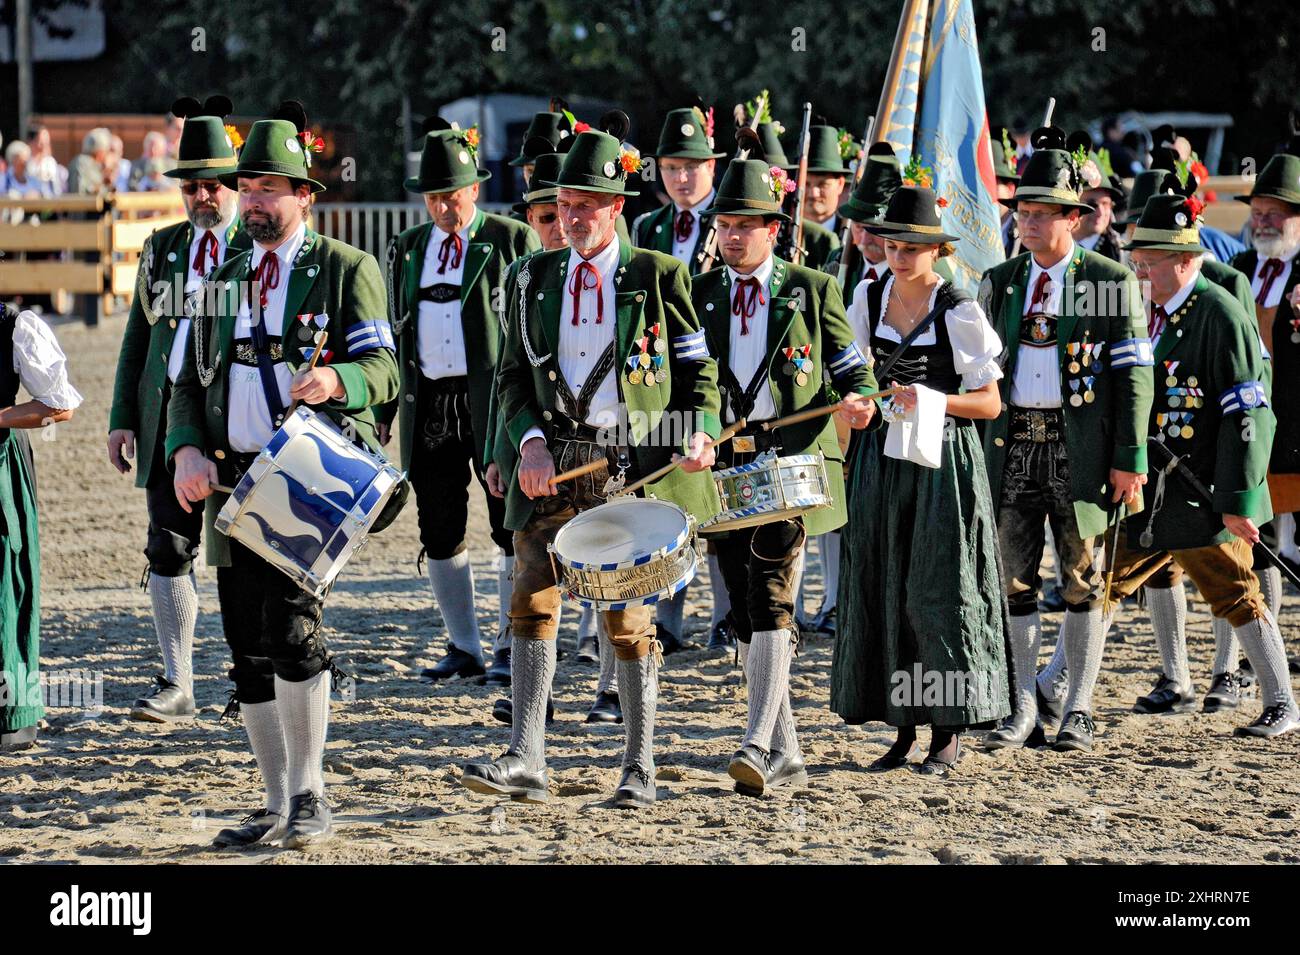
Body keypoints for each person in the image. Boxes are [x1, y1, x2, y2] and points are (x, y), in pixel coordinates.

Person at [459, 124, 722, 808]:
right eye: (564, 204)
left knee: (626, 618)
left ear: (616, 207)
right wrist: (527, 444)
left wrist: (701, 431)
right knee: (531, 598)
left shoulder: (657, 276)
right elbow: (510, 377)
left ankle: (639, 766)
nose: (573, 217)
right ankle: (526, 755)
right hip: (551, 460)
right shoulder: (530, 276)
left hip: (625, 465)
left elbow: (698, 372)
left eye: (587, 205)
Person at [168, 102, 399, 848]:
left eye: (270, 188)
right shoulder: (221, 277)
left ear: (305, 195)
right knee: (246, 645)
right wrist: (185, 449)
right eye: (248, 188)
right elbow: (185, 384)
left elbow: (385, 368)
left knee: (293, 629)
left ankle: (309, 794)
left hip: (308, 478)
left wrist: (339, 381)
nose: (256, 201)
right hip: (231, 483)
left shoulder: (346, 269)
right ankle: (272, 804)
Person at [694, 158, 876, 794]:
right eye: (725, 225)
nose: (733, 235)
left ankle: (755, 742)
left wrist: (861, 400)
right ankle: (788, 749)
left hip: (791, 462)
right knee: (743, 604)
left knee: (773, 593)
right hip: (723, 464)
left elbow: (853, 369)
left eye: (746, 225)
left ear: (774, 229)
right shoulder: (699, 292)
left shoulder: (811, 288)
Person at [979, 128, 1153, 753]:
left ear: (1072, 219)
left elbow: (1134, 377)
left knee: (1083, 577)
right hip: (1013, 444)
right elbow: (979, 369)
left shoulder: (1110, 279)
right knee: (1013, 579)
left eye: (1040, 213)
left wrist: (1130, 458)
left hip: (1080, 449)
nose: (1026, 222)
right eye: (1022, 212)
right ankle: (1023, 704)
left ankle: (1078, 705)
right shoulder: (999, 280)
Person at [1104, 191, 1298, 738]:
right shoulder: (1146, 310)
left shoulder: (1220, 313)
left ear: (1187, 260)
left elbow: (1249, 415)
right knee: (1102, 583)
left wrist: (1238, 500)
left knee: (1234, 590)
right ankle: (1055, 690)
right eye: (1138, 261)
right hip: (1149, 484)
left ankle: (1282, 701)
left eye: (1151, 262)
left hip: (1202, 488)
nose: (1141, 271)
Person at [832, 183, 1010, 776]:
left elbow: (989, 403)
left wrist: (933, 399)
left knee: (938, 589)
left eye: (911, 247)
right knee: (884, 583)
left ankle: (948, 732)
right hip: (882, 459)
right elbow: (852, 378)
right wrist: (857, 404)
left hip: (943, 465)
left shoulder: (959, 308)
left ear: (936, 250)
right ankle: (903, 727)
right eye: (892, 244)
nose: (899, 255)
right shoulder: (867, 295)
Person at [382, 124, 539, 684]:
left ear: (475, 189)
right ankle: (463, 645)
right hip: (428, 399)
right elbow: (395, 332)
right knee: (438, 525)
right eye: (433, 197)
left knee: (506, 520)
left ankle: (510, 642)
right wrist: (386, 410)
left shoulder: (510, 239)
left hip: (493, 399)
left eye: (452, 195)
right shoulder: (407, 248)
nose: (443, 207)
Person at [108, 95, 248, 723]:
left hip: (237, 420)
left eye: (214, 185)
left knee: (249, 555)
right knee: (167, 546)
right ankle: (178, 681)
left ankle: (257, 677)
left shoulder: (257, 247)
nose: (203, 197)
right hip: (168, 418)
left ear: (234, 185)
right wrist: (122, 417)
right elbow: (138, 337)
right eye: (192, 186)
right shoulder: (163, 247)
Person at [631, 105, 726, 654]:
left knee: (719, 501)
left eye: (691, 167)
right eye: (670, 167)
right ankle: (667, 620)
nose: (681, 178)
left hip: (717, 373)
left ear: (711, 167)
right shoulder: (648, 227)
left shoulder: (730, 219)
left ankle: (725, 617)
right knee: (668, 495)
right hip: (659, 376)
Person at [0, 305, 82, 751]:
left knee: (4, 588)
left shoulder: (14, 326)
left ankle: (10, 715)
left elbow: (58, 406)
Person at [68, 128, 113, 196]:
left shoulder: (96, 165)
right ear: (100, 152)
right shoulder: (81, 163)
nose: (106, 155)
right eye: (106, 151)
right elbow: (79, 191)